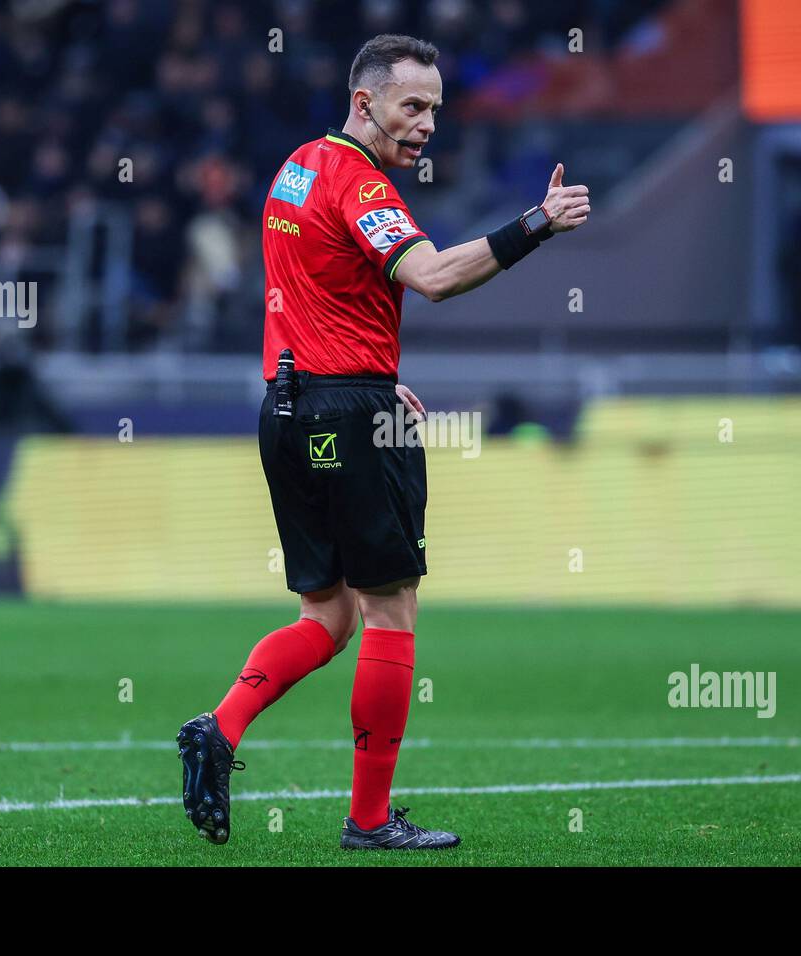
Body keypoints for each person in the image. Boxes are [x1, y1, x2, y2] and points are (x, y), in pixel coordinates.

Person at [177, 33, 591, 850]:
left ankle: (219, 730)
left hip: (287, 406)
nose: (429, 123)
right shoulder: (360, 182)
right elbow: (432, 277)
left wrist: (359, 371)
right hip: (349, 413)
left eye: (435, 107)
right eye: (413, 106)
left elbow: (312, 293)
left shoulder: (295, 168)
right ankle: (369, 820)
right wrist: (535, 223)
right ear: (364, 103)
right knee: (390, 610)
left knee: (326, 616)